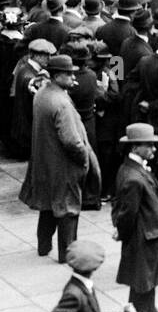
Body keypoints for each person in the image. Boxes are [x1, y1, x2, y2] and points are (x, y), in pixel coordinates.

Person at [20, 54, 100, 264]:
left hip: (44, 161)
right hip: (63, 165)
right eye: (69, 75)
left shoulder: (42, 94)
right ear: (56, 76)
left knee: (47, 206)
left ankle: (43, 246)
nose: (74, 78)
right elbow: (72, 141)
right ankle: (67, 253)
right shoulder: (61, 103)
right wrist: (84, 159)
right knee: (68, 209)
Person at [112, 123, 158, 312]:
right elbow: (128, 212)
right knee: (142, 278)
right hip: (143, 234)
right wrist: (122, 232)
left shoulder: (132, 168)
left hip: (151, 231)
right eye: (150, 146)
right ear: (135, 148)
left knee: (150, 273)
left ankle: (149, 307)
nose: (154, 150)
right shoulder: (133, 178)